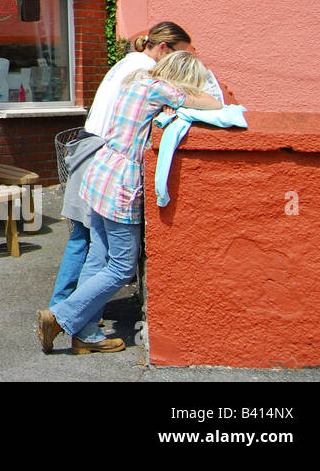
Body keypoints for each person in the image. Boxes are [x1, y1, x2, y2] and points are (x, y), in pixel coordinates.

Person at [39, 50, 221, 355]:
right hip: (121, 181)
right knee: (122, 267)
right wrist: (188, 96)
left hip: (100, 171)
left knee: (98, 255)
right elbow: (214, 104)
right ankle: (60, 316)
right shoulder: (160, 89)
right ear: (182, 79)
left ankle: (86, 333)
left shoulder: (136, 80)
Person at [51, 21, 214, 306]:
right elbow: (204, 101)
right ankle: (61, 309)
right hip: (103, 152)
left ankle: (72, 315)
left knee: (90, 242)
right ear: (163, 49)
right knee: (87, 242)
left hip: (95, 150)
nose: (180, 60)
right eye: (179, 53)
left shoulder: (132, 64)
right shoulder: (147, 73)